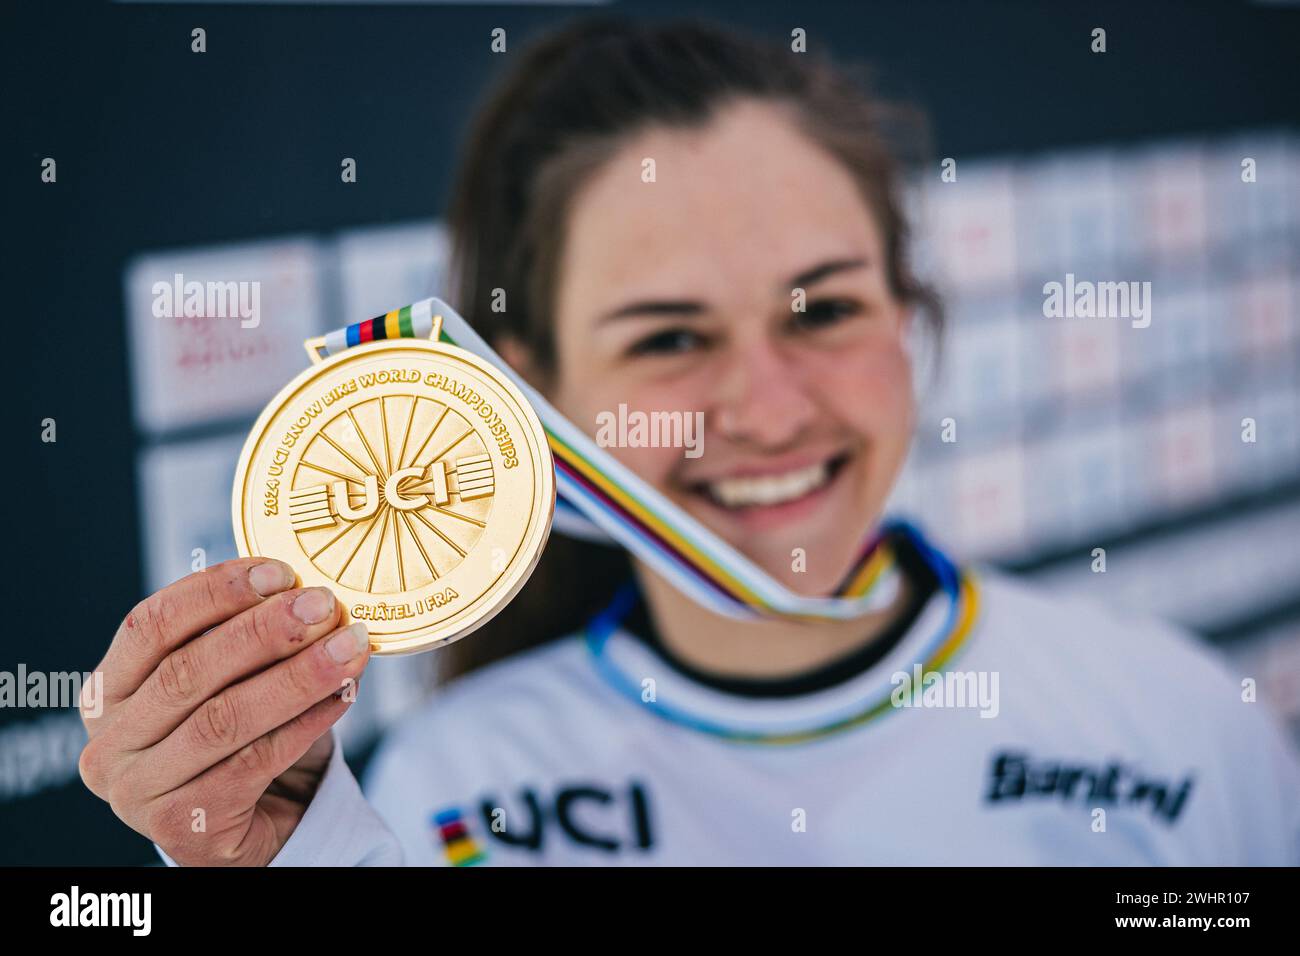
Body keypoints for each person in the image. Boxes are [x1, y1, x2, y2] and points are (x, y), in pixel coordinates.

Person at [80, 18, 1298, 866]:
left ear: (909, 314)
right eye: (668, 337)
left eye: (821, 309)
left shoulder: (1171, 722)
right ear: (529, 400)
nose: (767, 408)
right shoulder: (450, 788)